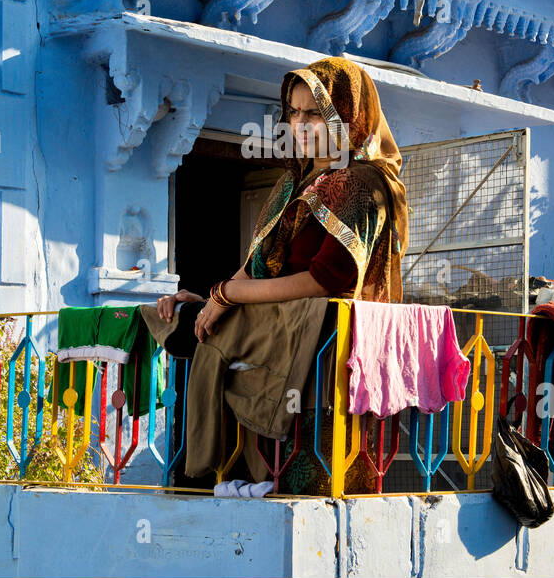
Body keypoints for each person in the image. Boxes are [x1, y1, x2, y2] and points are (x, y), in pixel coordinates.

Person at [153, 56, 410, 492]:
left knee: (306, 487)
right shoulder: (295, 181)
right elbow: (256, 261)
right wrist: (210, 299)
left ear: (348, 116)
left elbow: (327, 280)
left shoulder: (361, 183)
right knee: (164, 323)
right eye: (293, 112)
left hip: (322, 359)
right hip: (275, 344)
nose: (301, 123)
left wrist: (230, 295)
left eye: (315, 112)